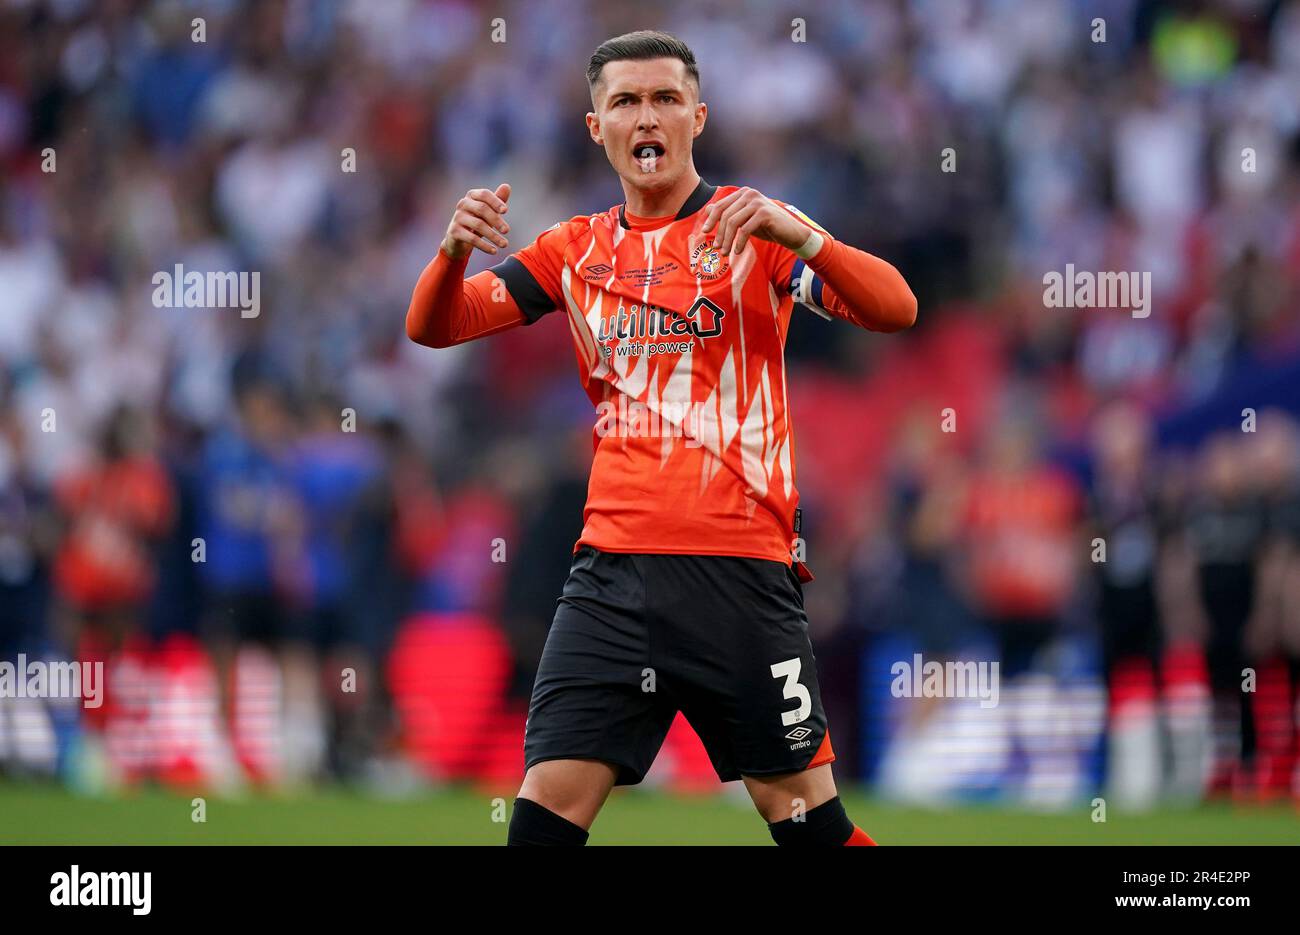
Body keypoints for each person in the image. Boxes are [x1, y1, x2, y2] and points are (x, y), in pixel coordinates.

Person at [406, 30, 916, 845]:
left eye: (666, 99)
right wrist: (451, 250)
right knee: (540, 822)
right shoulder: (572, 251)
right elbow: (436, 325)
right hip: (610, 576)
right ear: (596, 126)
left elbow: (896, 308)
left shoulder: (753, 227)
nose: (648, 116)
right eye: (627, 101)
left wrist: (805, 237)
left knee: (811, 829)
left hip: (739, 575)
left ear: (697, 117)